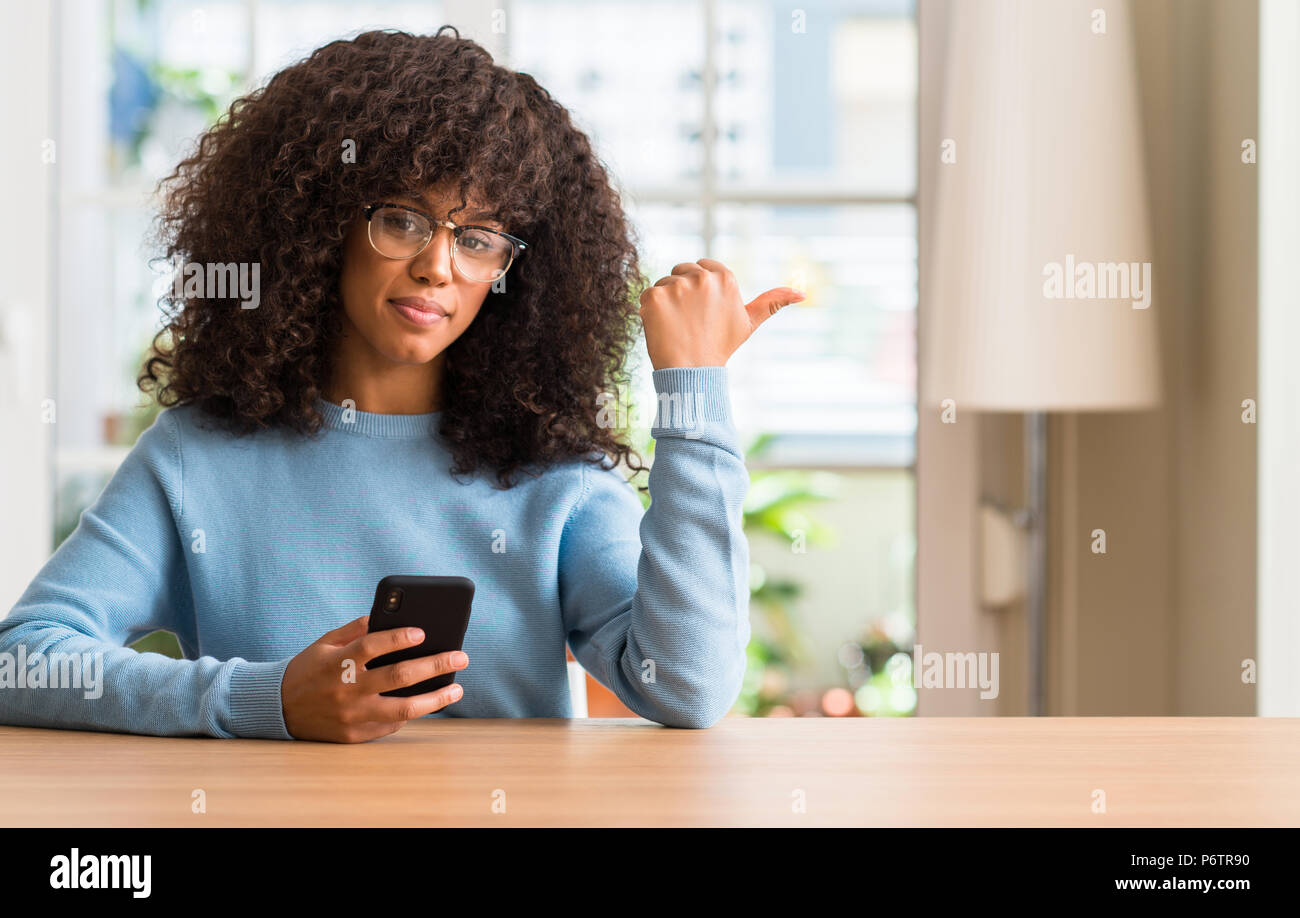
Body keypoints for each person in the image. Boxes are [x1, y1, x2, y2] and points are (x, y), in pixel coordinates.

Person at [0, 26, 802, 742]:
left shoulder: (552, 475)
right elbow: (23, 662)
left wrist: (693, 391)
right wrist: (265, 700)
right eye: (403, 220)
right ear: (319, 226)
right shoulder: (197, 457)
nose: (437, 265)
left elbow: (689, 687)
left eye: (480, 237)